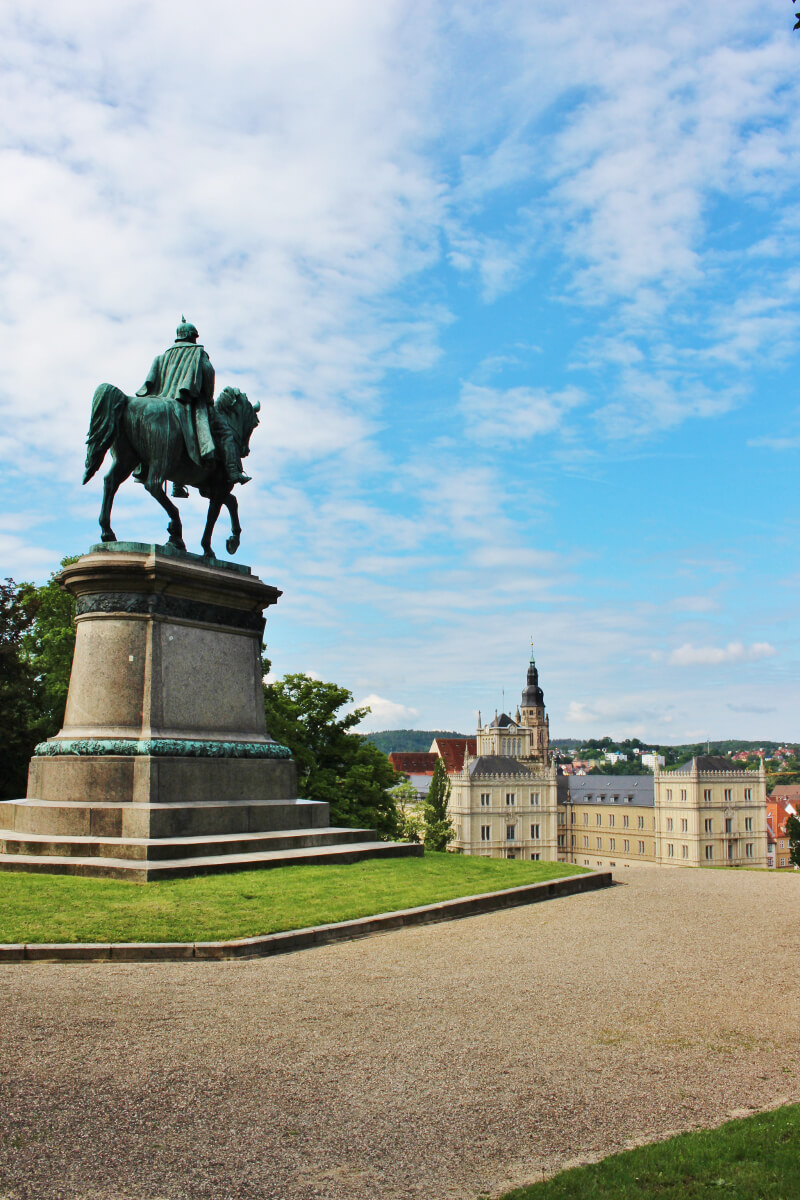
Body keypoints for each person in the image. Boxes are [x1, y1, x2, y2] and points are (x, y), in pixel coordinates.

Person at [136, 319, 250, 497]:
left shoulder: (161, 357)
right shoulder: (198, 353)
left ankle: (176, 484)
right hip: (191, 403)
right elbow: (208, 373)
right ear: (192, 337)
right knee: (226, 433)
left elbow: (149, 384)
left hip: (161, 400)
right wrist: (208, 398)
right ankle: (234, 471)